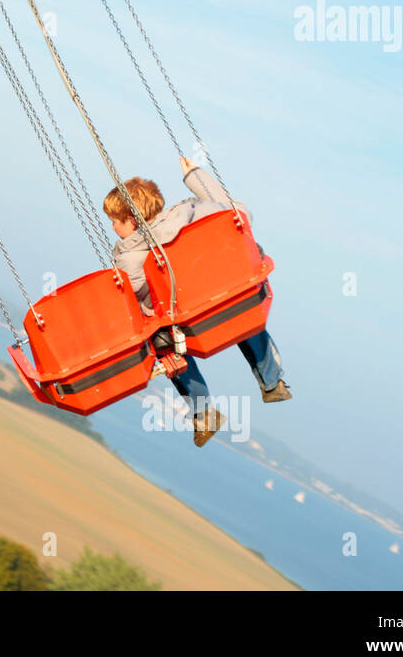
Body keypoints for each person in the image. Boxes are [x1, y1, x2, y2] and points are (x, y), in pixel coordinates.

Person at [104, 157, 291, 447]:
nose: (114, 228)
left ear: (131, 220)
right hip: (226, 304)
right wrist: (195, 176)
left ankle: (203, 413)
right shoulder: (196, 213)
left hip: (185, 328)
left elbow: (135, 295)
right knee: (243, 307)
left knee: (162, 342)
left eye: (115, 222)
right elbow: (241, 215)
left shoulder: (130, 257)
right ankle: (272, 381)